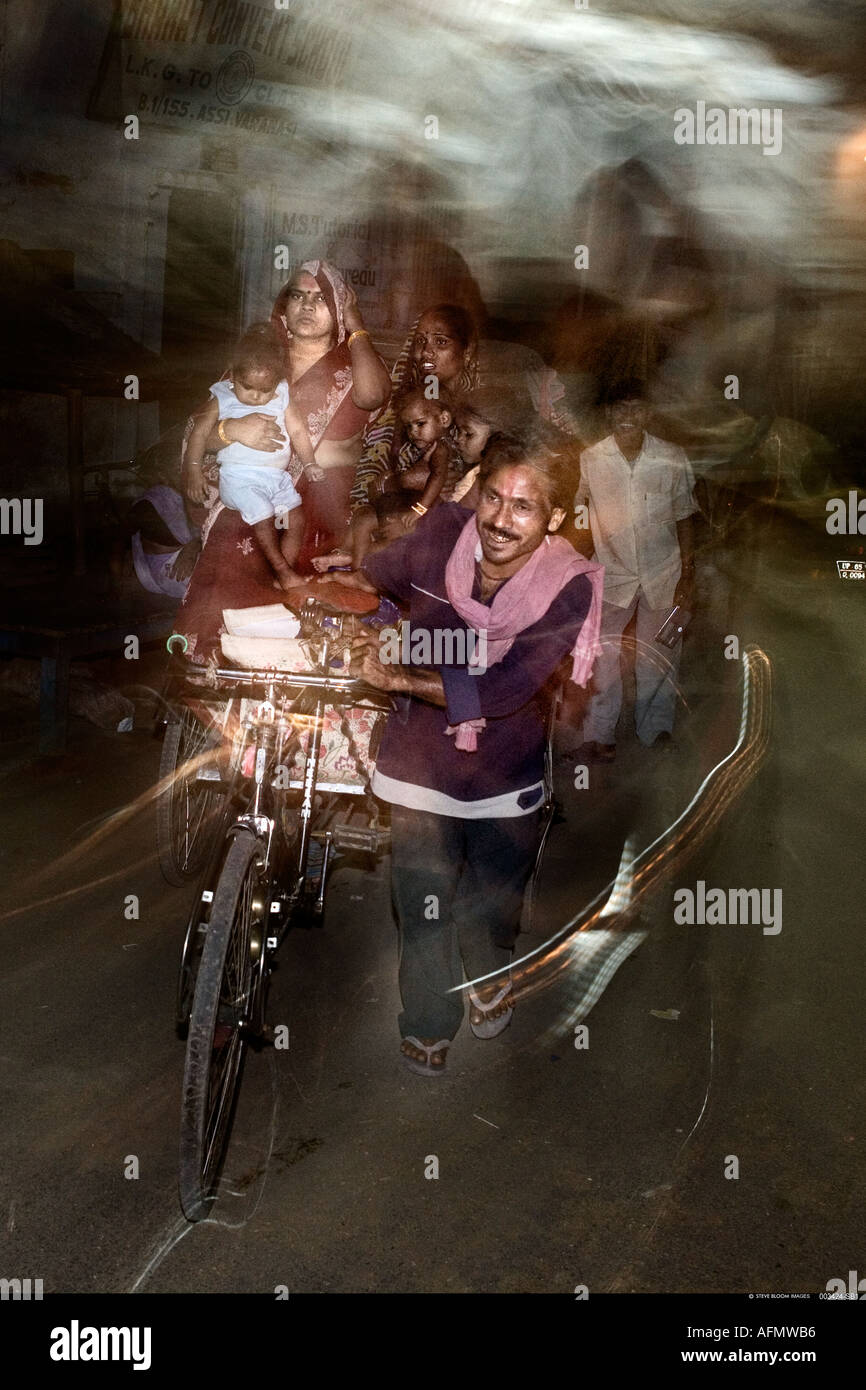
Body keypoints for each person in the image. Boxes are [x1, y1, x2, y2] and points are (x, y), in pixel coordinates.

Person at [327, 437, 604, 1076]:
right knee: (423, 899)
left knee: (493, 901)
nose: (501, 520)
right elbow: (377, 577)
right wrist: (335, 589)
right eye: (494, 498)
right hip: (420, 764)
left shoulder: (568, 588)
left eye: (526, 508)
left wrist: (401, 679)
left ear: (555, 518)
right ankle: (427, 1019)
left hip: (505, 770)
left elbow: (507, 689)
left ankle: (490, 973)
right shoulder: (441, 537)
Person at [175, 259, 390, 664]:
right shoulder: (259, 363)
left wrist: (356, 324)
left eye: (322, 298)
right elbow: (196, 430)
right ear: (283, 307)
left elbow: (374, 396)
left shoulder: (352, 367)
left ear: (340, 307)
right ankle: (219, 687)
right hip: (256, 503)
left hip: (325, 518)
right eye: (298, 295)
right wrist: (231, 433)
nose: (308, 306)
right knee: (234, 557)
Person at [571, 381, 697, 761]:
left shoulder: (672, 457)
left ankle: (655, 728)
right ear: (608, 413)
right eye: (619, 409)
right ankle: (600, 734)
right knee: (604, 656)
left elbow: (685, 515)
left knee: (658, 654)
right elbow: (580, 512)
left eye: (636, 409)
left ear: (648, 413)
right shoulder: (591, 459)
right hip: (612, 573)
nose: (627, 417)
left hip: (665, 573)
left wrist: (688, 574)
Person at [184, 323, 311, 592]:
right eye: (247, 387)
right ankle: (284, 572)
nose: (255, 396)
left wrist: (309, 462)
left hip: (276, 478)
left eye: (265, 390)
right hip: (239, 480)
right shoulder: (222, 395)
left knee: (297, 518)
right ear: (233, 375)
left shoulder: (282, 394)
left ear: (277, 380)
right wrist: (193, 470)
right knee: (264, 514)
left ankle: (281, 576)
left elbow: (298, 429)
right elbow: (198, 433)